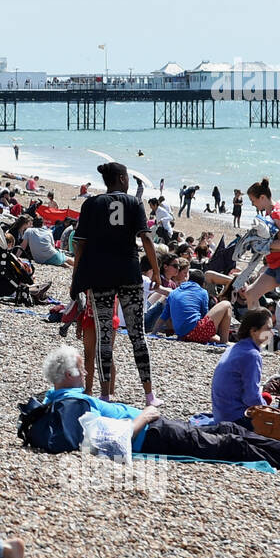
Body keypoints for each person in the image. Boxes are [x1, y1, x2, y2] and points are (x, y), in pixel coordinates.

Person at [38, 346, 280, 470]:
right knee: (229, 442)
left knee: (228, 429)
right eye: (82, 367)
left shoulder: (65, 400)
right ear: (69, 375)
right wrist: (143, 416)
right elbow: (105, 443)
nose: (88, 371)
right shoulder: (73, 405)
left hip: (155, 429)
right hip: (151, 434)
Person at [72, 161, 163, 405]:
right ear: (122, 179)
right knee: (137, 335)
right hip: (129, 273)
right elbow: (145, 239)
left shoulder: (91, 204)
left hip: (100, 275)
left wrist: (76, 276)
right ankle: (149, 395)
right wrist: (156, 271)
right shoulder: (134, 203)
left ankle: (104, 393)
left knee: (104, 335)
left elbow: (80, 244)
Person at [237, 178, 280, 360]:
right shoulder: (269, 212)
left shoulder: (277, 213)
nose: (253, 205)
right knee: (251, 295)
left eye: (253, 201)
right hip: (276, 264)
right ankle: (262, 344)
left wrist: (264, 245)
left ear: (262, 197)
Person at [210, 309, 273, 424]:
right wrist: (268, 409)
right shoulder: (251, 355)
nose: (272, 333)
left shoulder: (235, 348)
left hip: (220, 414)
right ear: (253, 331)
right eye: (268, 329)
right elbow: (251, 398)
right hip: (235, 419)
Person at [159, 256, 235, 343]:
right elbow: (204, 314)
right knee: (226, 304)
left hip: (182, 334)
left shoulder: (175, 291)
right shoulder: (202, 292)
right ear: (202, 284)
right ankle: (225, 341)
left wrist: (153, 333)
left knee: (206, 334)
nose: (186, 275)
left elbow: (164, 315)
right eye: (185, 272)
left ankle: (225, 341)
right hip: (194, 332)